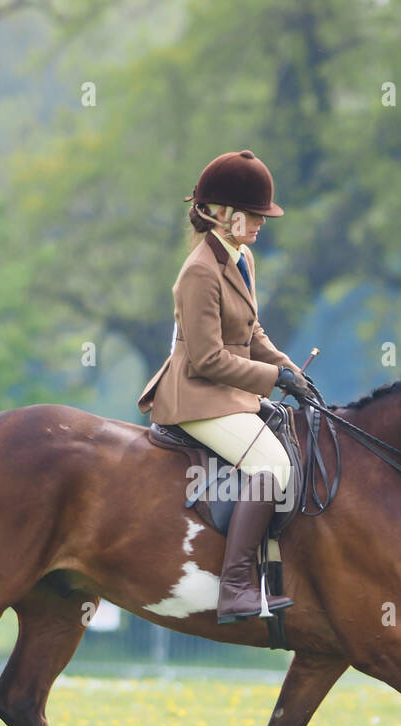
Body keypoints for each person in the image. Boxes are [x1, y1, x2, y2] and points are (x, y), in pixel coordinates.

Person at [138, 149, 314, 624]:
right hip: (196, 395)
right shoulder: (198, 271)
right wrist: (271, 379)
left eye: (262, 215)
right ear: (220, 213)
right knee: (271, 463)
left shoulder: (242, 258)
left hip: (229, 392)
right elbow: (208, 358)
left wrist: (290, 371)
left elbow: (251, 334)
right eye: (254, 215)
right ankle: (236, 587)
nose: (261, 223)